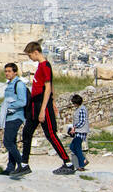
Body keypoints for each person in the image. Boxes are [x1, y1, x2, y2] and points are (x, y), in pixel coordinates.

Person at [20, 41, 74, 175]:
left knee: (50, 134)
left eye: (30, 55)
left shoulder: (45, 65)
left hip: (42, 104)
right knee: (27, 132)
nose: (30, 58)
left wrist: (45, 108)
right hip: (35, 104)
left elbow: (48, 87)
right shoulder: (41, 66)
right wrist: (53, 101)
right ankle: (24, 164)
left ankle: (68, 163)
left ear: (36, 52)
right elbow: (49, 85)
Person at [0, 62, 29, 177]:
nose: (7, 73)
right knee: (12, 143)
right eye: (6, 71)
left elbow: (22, 102)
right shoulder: (9, 85)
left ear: (15, 72)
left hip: (16, 116)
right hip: (8, 117)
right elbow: (3, 103)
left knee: (8, 142)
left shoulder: (19, 84)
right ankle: (11, 168)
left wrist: (8, 107)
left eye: (9, 71)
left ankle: (23, 165)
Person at [67, 93, 89, 171]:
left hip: (81, 132)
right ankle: (83, 159)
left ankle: (81, 165)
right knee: (72, 147)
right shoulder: (78, 109)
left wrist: (74, 127)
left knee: (77, 148)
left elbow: (82, 121)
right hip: (78, 131)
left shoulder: (82, 109)